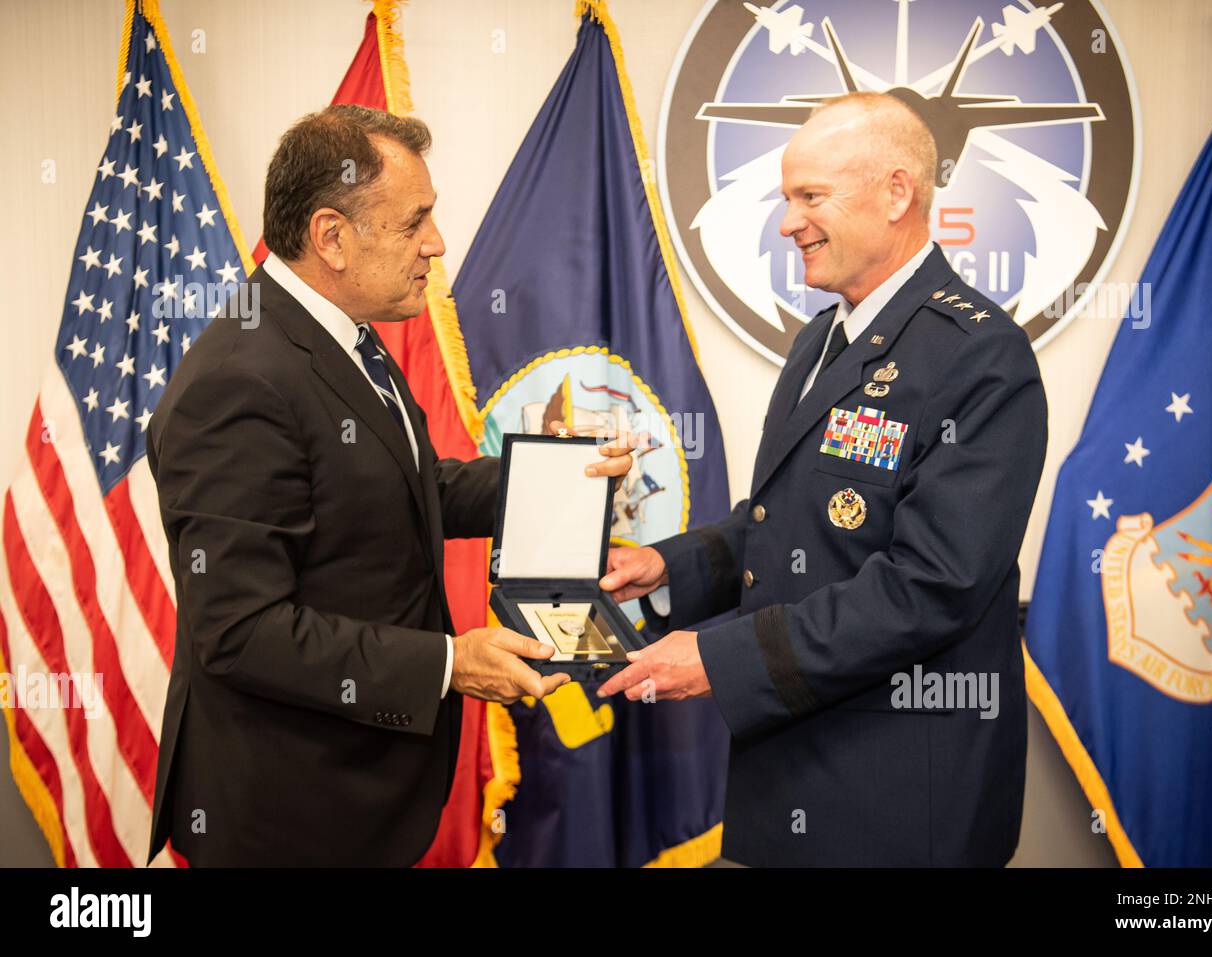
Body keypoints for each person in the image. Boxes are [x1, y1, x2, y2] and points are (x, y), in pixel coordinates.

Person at [146, 105, 634, 866]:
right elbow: (241, 631)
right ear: (332, 237)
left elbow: (398, 486)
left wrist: (555, 474)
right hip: (288, 815)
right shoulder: (240, 380)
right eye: (416, 223)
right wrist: (448, 662)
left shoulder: (339, 332)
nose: (436, 245)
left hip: (358, 799)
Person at [597, 93, 1048, 866]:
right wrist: (668, 567)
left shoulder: (980, 355)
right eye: (787, 198)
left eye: (812, 196)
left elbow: (933, 585)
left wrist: (720, 659)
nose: (789, 221)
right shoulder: (822, 338)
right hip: (794, 763)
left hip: (899, 795)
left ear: (897, 193)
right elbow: (786, 519)